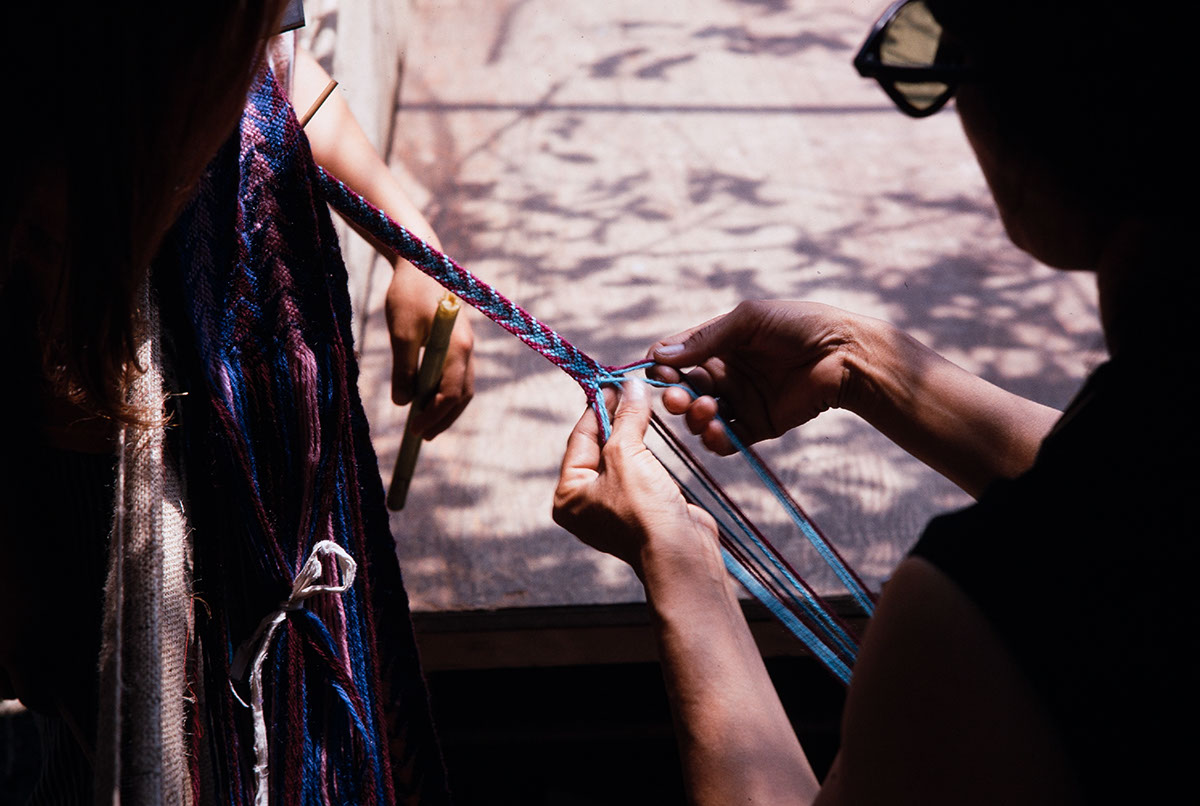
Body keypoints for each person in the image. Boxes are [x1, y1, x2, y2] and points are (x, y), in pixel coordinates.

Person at [553, 1, 1195, 803]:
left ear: (1054, 117)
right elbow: (1133, 495)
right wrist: (865, 361)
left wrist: (684, 568)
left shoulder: (974, 622)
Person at [1, 3, 464, 801]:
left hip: (268, 457)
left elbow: (278, 73)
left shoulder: (227, 71)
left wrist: (414, 247)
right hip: (86, 479)